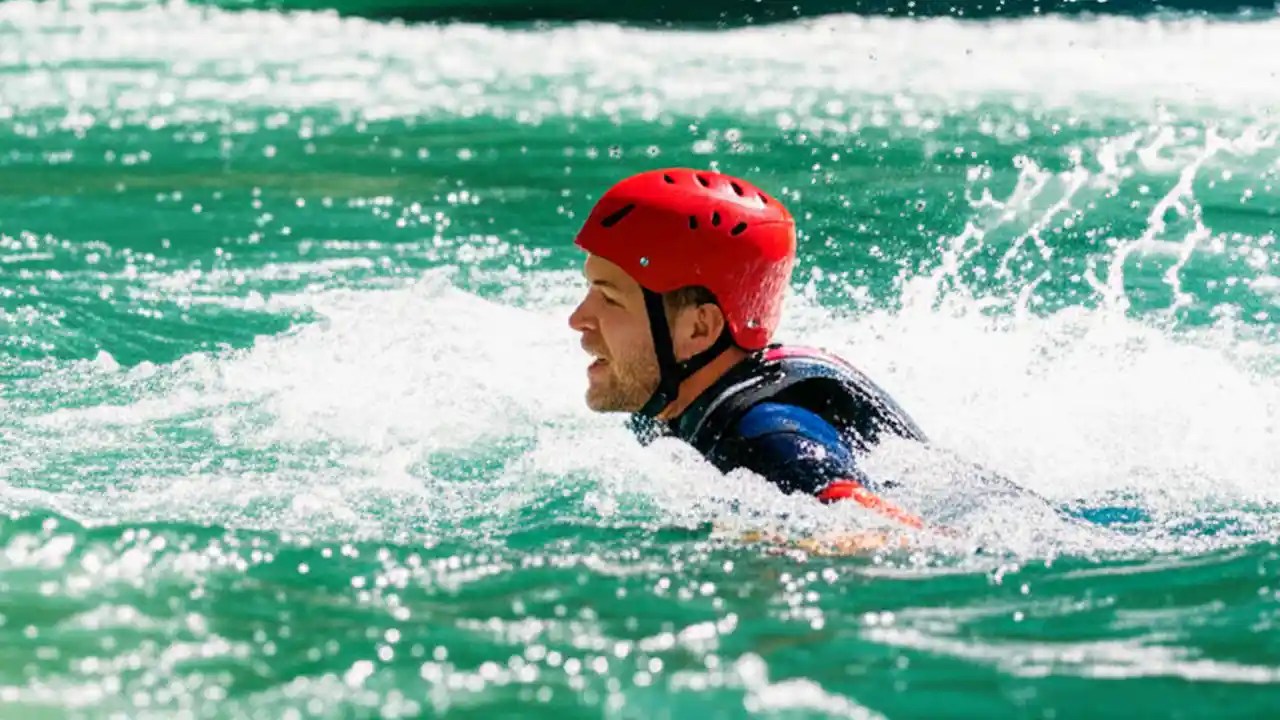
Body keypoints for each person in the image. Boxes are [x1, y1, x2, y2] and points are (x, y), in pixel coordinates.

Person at [567, 168, 930, 539]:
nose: (577, 319)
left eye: (609, 298)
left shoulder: (772, 439)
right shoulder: (666, 399)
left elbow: (899, 537)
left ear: (699, 329)